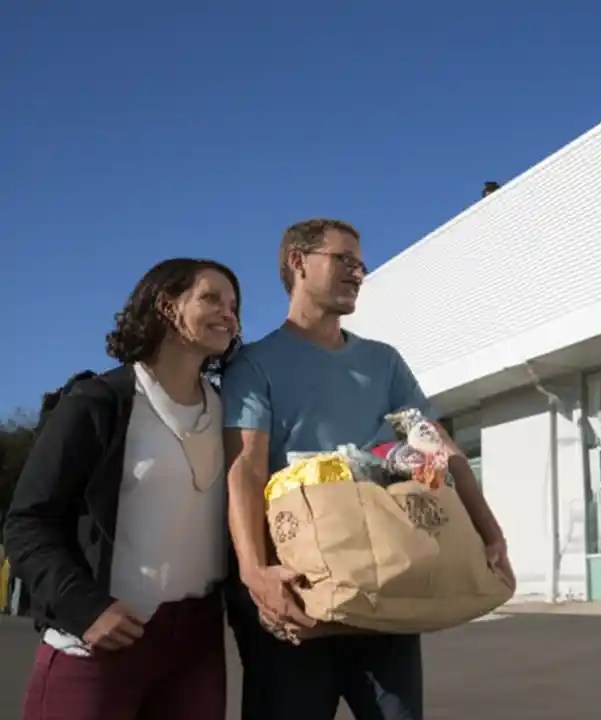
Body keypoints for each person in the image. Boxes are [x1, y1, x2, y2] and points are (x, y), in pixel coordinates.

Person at [222, 218, 513, 720]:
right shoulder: (254, 365)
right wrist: (253, 572)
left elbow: (437, 444)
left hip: (387, 593)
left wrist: (490, 531)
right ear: (298, 262)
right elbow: (245, 469)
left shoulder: (384, 363)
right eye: (344, 261)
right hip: (297, 593)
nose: (359, 273)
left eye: (360, 264)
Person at [3, 258, 241, 720]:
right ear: (166, 305)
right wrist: (84, 608)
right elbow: (28, 522)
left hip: (197, 644)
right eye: (212, 298)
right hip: (98, 640)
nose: (229, 314)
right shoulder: (97, 403)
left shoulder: (233, 414)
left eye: (234, 305)